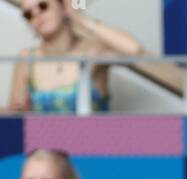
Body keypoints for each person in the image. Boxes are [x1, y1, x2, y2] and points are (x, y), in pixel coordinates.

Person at [6, 0, 143, 114]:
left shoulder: (92, 51)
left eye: (43, 6)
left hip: (93, 141)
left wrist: (80, 17)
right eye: (28, 14)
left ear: (62, 6)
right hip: (42, 143)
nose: (36, 15)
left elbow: (134, 50)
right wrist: (15, 111)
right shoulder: (27, 58)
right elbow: (14, 115)